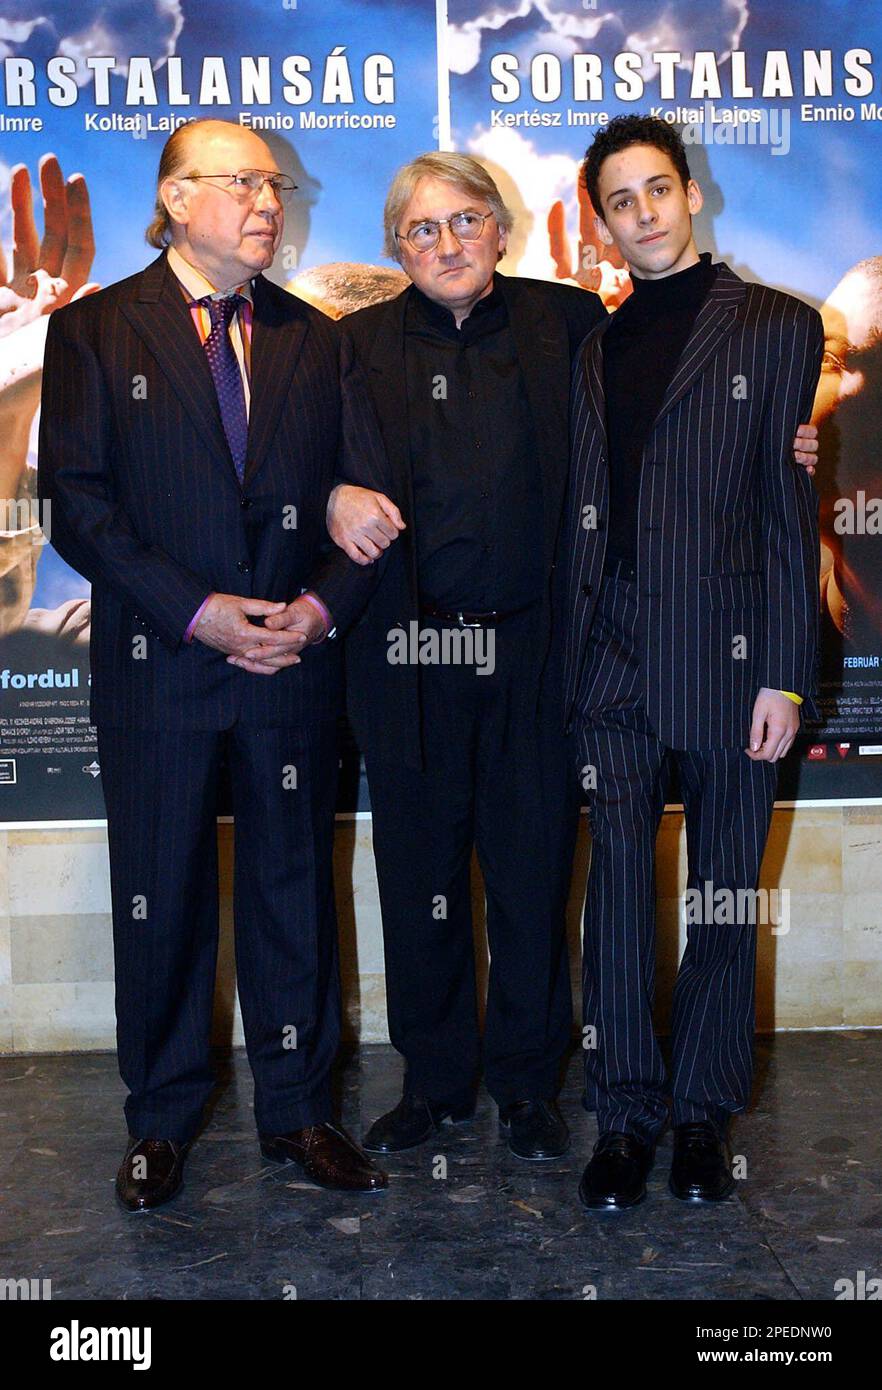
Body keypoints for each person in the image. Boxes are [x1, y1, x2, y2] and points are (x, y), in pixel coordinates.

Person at [248, 151, 818, 1165]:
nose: (447, 245)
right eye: (422, 231)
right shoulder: (354, 346)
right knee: (419, 873)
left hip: (544, 650)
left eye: (465, 221)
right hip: (407, 655)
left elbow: (674, 427)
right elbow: (300, 463)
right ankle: (434, 1083)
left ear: (499, 229)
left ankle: (526, 1083)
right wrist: (333, 494)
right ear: (396, 250)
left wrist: (786, 442)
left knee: (531, 875)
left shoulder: (572, 325)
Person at [37, 117, 389, 1211]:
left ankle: (298, 1109)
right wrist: (196, 612)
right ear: (179, 198)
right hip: (162, 667)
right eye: (243, 183)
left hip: (289, 670)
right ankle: (162, 1119)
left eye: (276, 184)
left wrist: (319, 612)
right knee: (164, 896)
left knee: (294, 895)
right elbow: (78, 510)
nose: (268, 202)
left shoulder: (314, 337)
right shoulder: (96, 331)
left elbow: (366, 505)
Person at [564, 115, 824, 1210]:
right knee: (619, 883)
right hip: (610, 647)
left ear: (691, 193)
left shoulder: (777, 327)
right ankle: (625, 1111)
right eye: (620, 201)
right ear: (604, 221)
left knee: (723, 886)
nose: (643, 214)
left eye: (657, 189)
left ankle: (703, 1114)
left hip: (729, 652)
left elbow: (785, 505)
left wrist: (785, 671)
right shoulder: (592, 343)